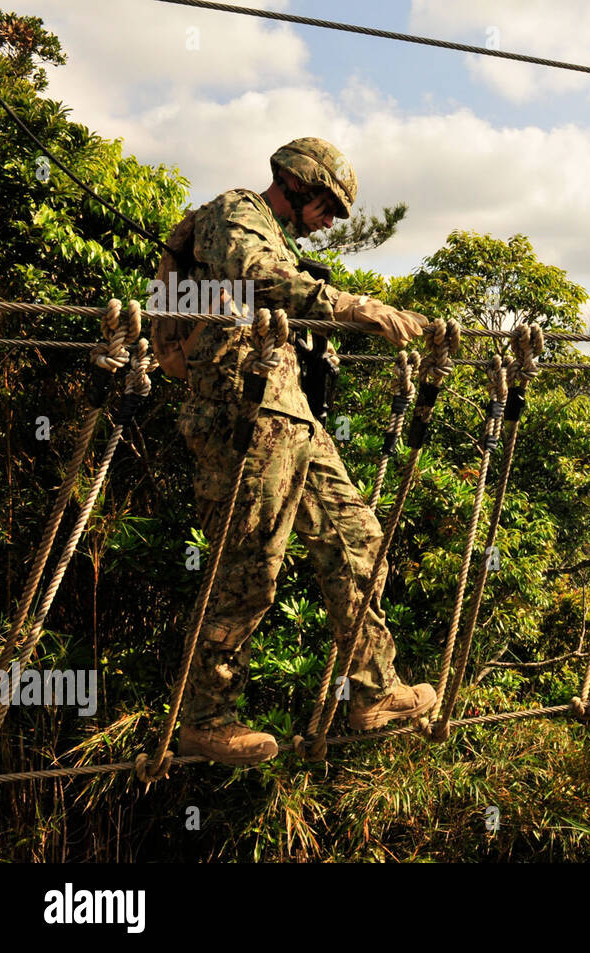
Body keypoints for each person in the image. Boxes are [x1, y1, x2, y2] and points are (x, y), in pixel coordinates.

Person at [151, 137, 433, 766]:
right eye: (328, 206)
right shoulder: (235, 212)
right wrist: (351, 306)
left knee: (359, 538)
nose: (330, 222)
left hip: (289, 412)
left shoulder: (279, 239)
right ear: (300, 183)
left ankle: (374, 690)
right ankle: (206, 718)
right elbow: (255, 273)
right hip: (240, 413)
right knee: (248, 570)